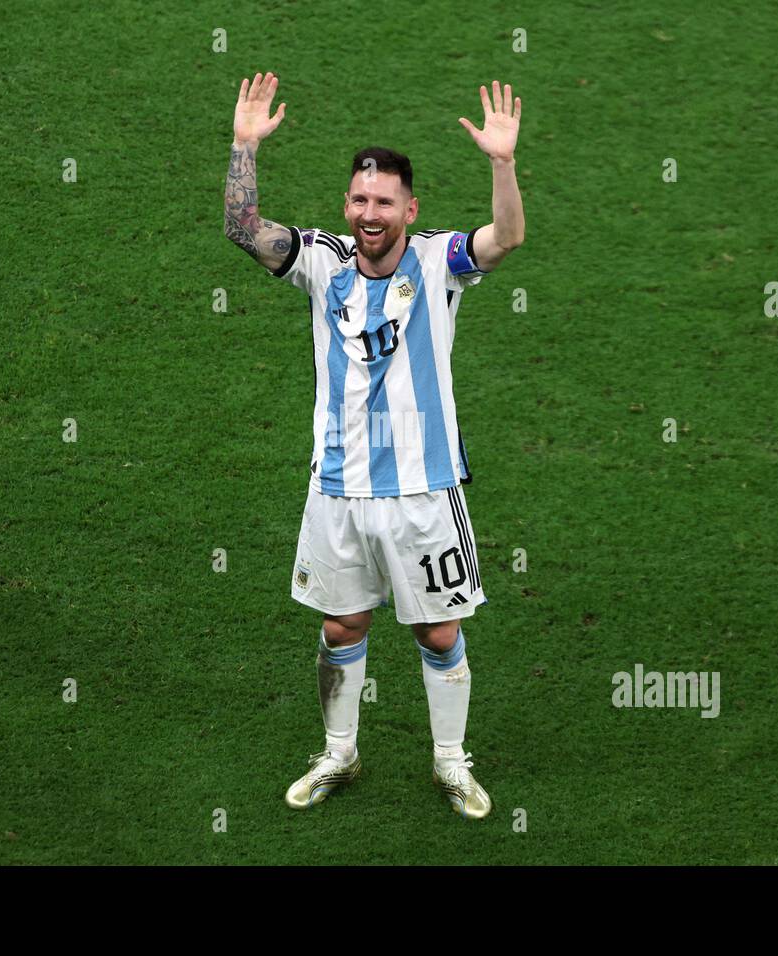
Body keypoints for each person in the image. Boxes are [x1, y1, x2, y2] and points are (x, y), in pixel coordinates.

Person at [223, 72, 525, 819]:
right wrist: (243, 146)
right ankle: (340, 754)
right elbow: (241, 229)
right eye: (359, 200)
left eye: (383, 201)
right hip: (337, 489)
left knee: (437, 627)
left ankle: (452, 764)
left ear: (409, 209)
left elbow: (507, 237)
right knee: (340, 624)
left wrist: (501, 162)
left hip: (424, 491)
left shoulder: (438, 262)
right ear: (346, 206)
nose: (369, 213)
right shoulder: (320, 261)